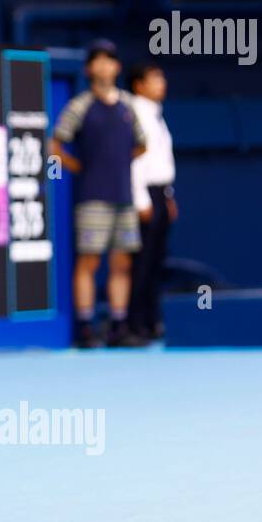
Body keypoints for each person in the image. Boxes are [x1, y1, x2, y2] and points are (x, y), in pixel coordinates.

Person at [48, 40, 148, 349]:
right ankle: (86, 328)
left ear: (116, 67)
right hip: (92, 197)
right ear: (89, 68)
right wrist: (80, 167)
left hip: (124, 196)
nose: (105, 66)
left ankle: (119, 326)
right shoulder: (80, 106)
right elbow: (55, 145)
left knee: (122, 264)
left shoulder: (129, 107)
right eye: (98, 61)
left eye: (110, 60)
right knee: (89, 263)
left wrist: (117, 164)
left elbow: (142, 144)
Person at [127, 62, 176, 341]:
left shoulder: (156, 115)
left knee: (156, 260)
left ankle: (152, 319)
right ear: (139, 85)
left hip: (160, 193)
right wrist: (141, 199)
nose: (162, 83)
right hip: (143, 195)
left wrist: (167, 196)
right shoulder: (136, 114)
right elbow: (136, 161)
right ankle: (136, 323)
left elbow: (161, 161)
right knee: (142, 262)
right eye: (155, 78)